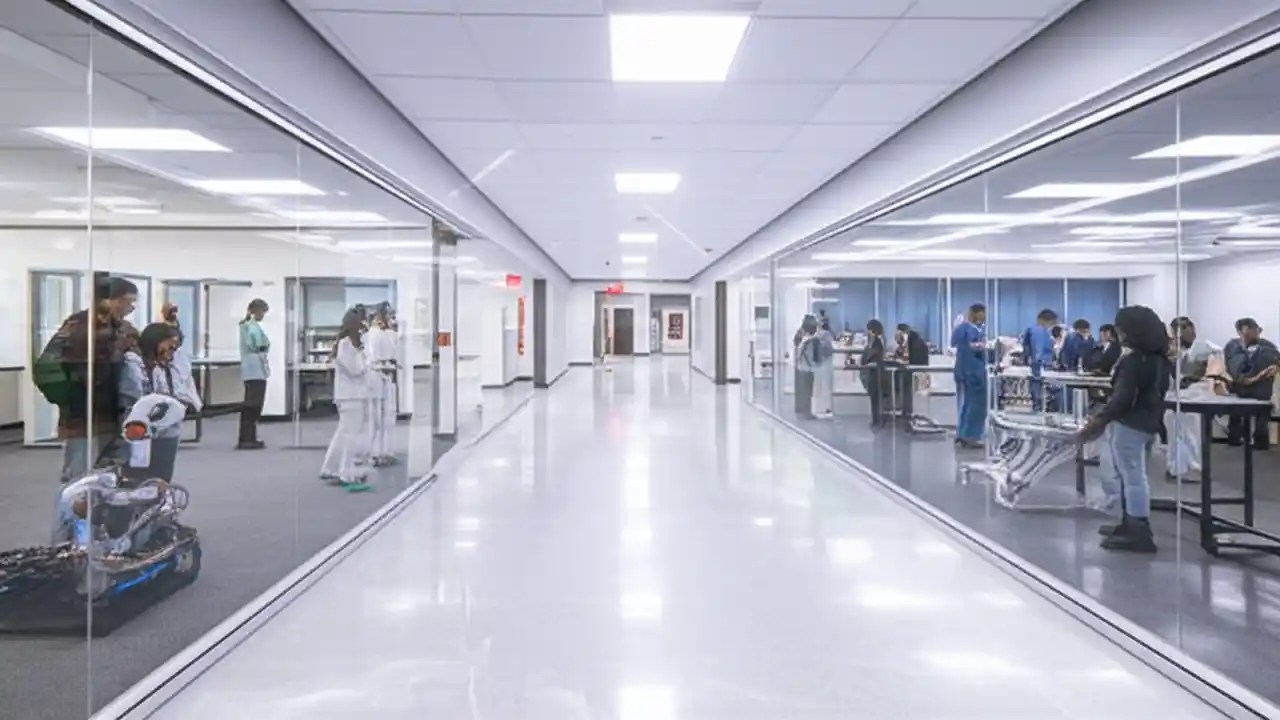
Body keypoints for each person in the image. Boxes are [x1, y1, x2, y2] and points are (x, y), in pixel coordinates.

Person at [1077, 305, 1171, 553]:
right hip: (1150, 423)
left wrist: (1099, 420)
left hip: (1130, 424)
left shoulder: (1132, 361)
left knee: (1131, 477)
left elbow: (1122, 398)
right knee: (1137, 477)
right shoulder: (1159, 360)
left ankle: (1137, 528)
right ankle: (1131, 521)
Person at [35, 276, 139, 484]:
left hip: (114, 415)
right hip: (80, 416)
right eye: (127, 301)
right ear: (110, 300)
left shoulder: (126, 331)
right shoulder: (77, 326)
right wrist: (68, 397)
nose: (131, 307)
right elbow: (46, 365)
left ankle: (105, 516)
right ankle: (73, 516)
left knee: (111, 475)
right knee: (77, 477)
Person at [121, 323, 193, 482]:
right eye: (170, 345)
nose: (172, 351)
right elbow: (135, 398)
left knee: (162, 476)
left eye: (175, 347)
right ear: (156, 341)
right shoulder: (133, 364)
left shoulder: (163, 366)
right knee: (139, 477)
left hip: (165, 431)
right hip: (141, 429)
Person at [321, 310, 373, 491]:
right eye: (360, 324)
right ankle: (346, 473)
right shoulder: (345, 345)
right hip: (350, 397)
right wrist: (365, 357)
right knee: (351, 436)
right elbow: (356, 370)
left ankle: (329, 467)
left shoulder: (351, 345)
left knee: (343, 433)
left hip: (354, 395)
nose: (362, 328)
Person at [1164, 317, 1218, 482]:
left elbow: (1212, 371)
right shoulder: (1176, 351)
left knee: (1191, 432)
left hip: (1196, 394)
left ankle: (1194, 467)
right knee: (1173, 428)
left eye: (1182, 330)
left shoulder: (1207, 348)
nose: (1178, 335)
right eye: (1175, 332)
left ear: (1190, 329)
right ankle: (1175, 466)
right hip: (1177, 395)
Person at [1224, 317, 1279, 449]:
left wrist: (1274, 368)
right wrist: (1256, 376)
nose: (1253, 333)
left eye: (1254, 329)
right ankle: (1236, 436)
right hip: (1242, 386)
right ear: (1239, 332)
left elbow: (1277, 359)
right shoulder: (1233, 346)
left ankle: (1260, 438)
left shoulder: (1266, 346)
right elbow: (1237, 372)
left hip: (1261, 388)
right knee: (1238, 406)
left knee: (1264, 404)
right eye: (1247, 330)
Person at [366, 302, 400, 465]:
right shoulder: (373, 333)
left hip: (387, 375)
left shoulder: (389, 333)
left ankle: (385, 450)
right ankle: (374, 453)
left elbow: (393, 352)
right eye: (388, 315)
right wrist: (384, 365)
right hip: (376, 375)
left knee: (388, 414)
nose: (390, 318)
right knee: (376, 417)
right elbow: (372, 358)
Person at [951, 303, 988, 449]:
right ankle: (972, 436)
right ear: (976, 314)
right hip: (974, 371)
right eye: (982, 314)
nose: (984, 317)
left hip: (963, 370)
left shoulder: (961, 328)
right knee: (977, 404)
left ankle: (963, 432)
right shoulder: (972, 330)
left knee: (966, 403)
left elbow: (955, 343)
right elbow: (974, 346)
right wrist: (985, 346)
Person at [237, 299, 270, 450]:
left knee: (251, 404)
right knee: (253, 405)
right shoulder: (251, 327)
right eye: (262, 312)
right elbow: (258, 345)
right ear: (256, 311)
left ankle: (249, 437)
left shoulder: (246, 326)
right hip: (255, 369)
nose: (263, 315)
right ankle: (247, 439)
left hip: (252, 369)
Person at [1023, 309, 1058, 412]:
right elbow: (1038, 349)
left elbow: (1026, 347)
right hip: (1041, 365)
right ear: (1047, 321)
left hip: (1038, 364)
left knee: (1036, 388)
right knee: (1040, 389)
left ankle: (1038, 406)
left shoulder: (1032, 329)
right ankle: (1039, 407)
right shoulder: (1039, 331)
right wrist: (1040, 362)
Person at [860, 319, 887, 425]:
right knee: (874, 398)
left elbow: (876, 359)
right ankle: (876, 419)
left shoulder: (877, 343)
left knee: (876, 398)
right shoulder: (871, 343)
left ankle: (877, 420)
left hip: (876, 375)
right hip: (871, 375)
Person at [810, 316, 837, 419]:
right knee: (821, 387)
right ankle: (821, 408)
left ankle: (824, 408)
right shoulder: (823, 335)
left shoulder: (824, 335)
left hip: (823, 363)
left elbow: (828, 349)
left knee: (822, 387)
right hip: (822, 364)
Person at [793, 315, 818, 418]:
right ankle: (807, 412)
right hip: (807, 367)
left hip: (799, 366)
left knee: (801, 390)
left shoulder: (799, 335)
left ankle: (800, 409)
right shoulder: (809, 339)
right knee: (807, 391)